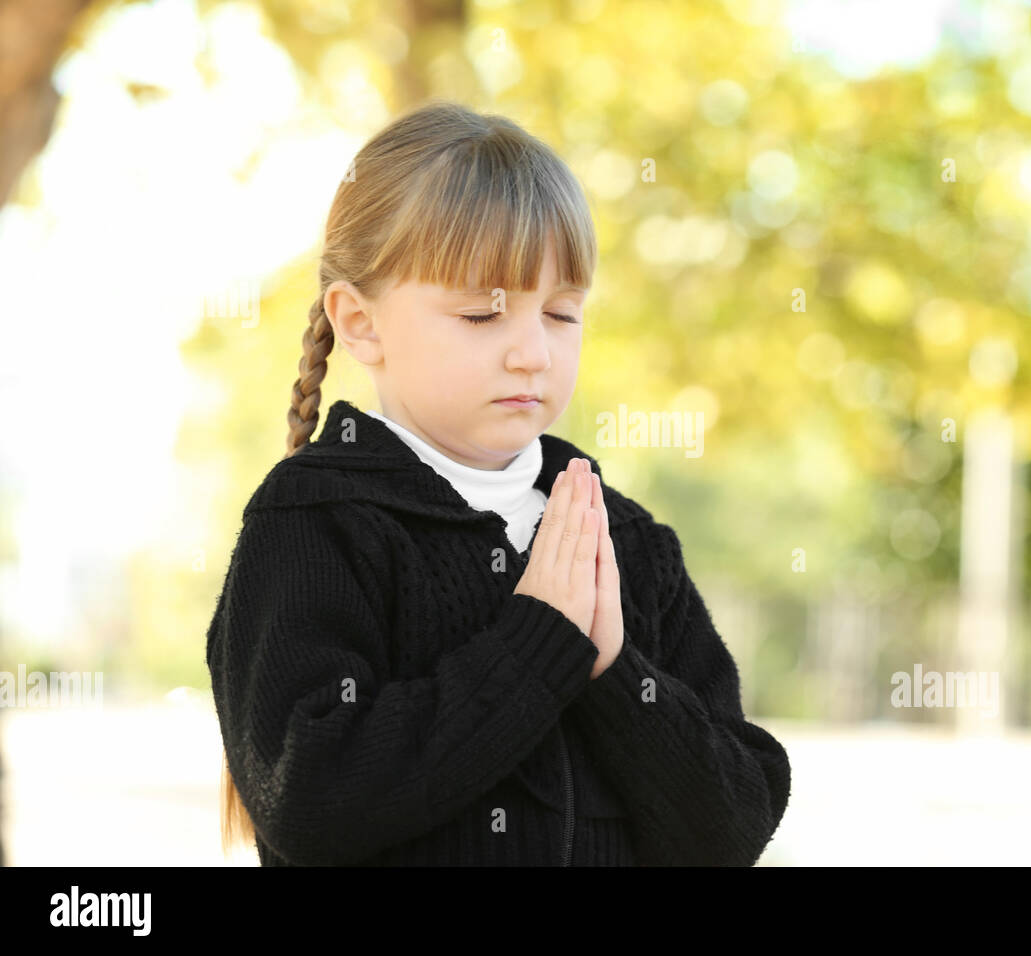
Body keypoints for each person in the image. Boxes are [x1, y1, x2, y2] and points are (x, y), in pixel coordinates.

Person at [204, 100, 791, 866]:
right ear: (360, 323)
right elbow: (308, 801)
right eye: (484, 315)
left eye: (560, 314)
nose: (532, 354)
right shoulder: (314, 524)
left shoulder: (627, 543)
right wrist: (542, 644)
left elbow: (731, 826)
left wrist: (614, 669)